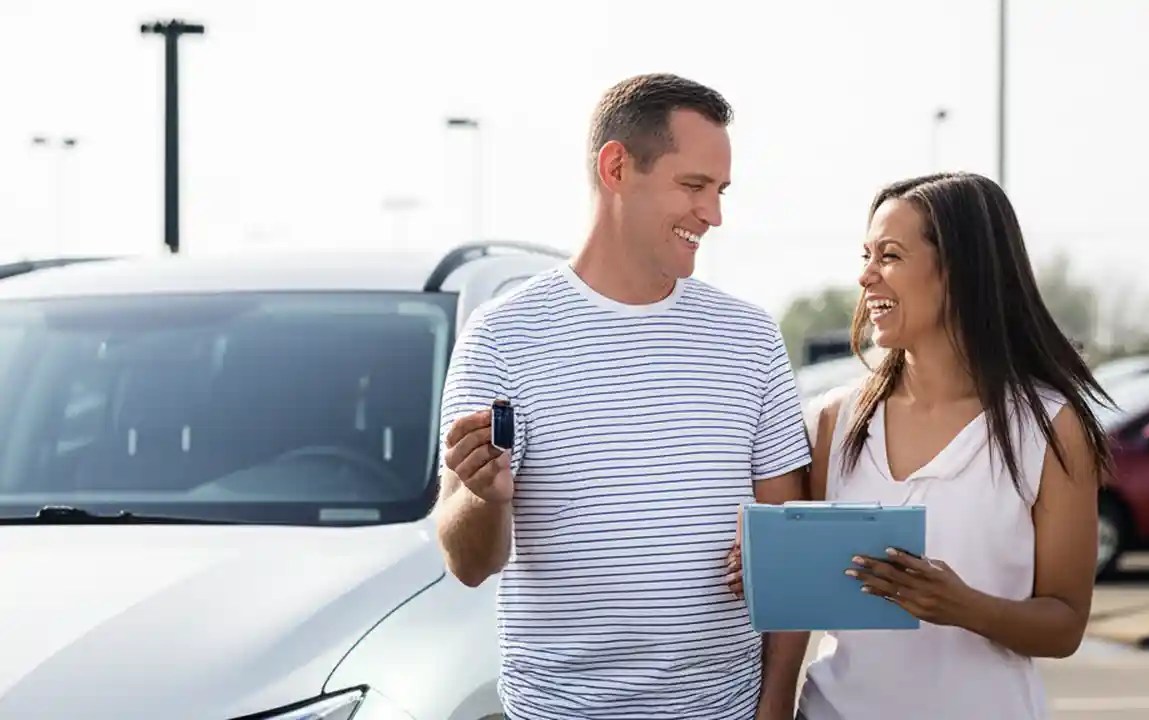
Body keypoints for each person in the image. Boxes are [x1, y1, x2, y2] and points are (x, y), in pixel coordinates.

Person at [434, 73, 812, 720]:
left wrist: (774, 707)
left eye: (719, 192)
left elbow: (792, 551)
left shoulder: (750, 337)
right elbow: (470, 563)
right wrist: (481, 498)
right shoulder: (501, 336)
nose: (713, 215)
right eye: (693, 186)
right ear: (616, 167)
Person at [765, 172, 1111, 719]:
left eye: (890, 256)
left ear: (959, 271)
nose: (866, 276)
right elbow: (794, 604)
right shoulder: (833, 420)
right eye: (867, 255)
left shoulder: (1051, 428)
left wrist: (963, 607)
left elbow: (1065, 624)